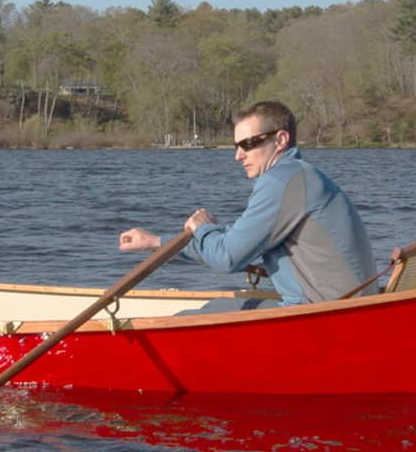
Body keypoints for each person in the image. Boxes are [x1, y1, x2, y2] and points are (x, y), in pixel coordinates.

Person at [120, 100, 377, 307]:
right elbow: (232, 246)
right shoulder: (297, 176)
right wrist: (156, 243)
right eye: (237, 146)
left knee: (193, 317)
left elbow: (226, 257)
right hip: (335, 307)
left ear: (280, 140)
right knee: (218, 307)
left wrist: (202, 228)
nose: (237, 155)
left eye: (248, 144)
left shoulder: (281, 181)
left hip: (325, 316)